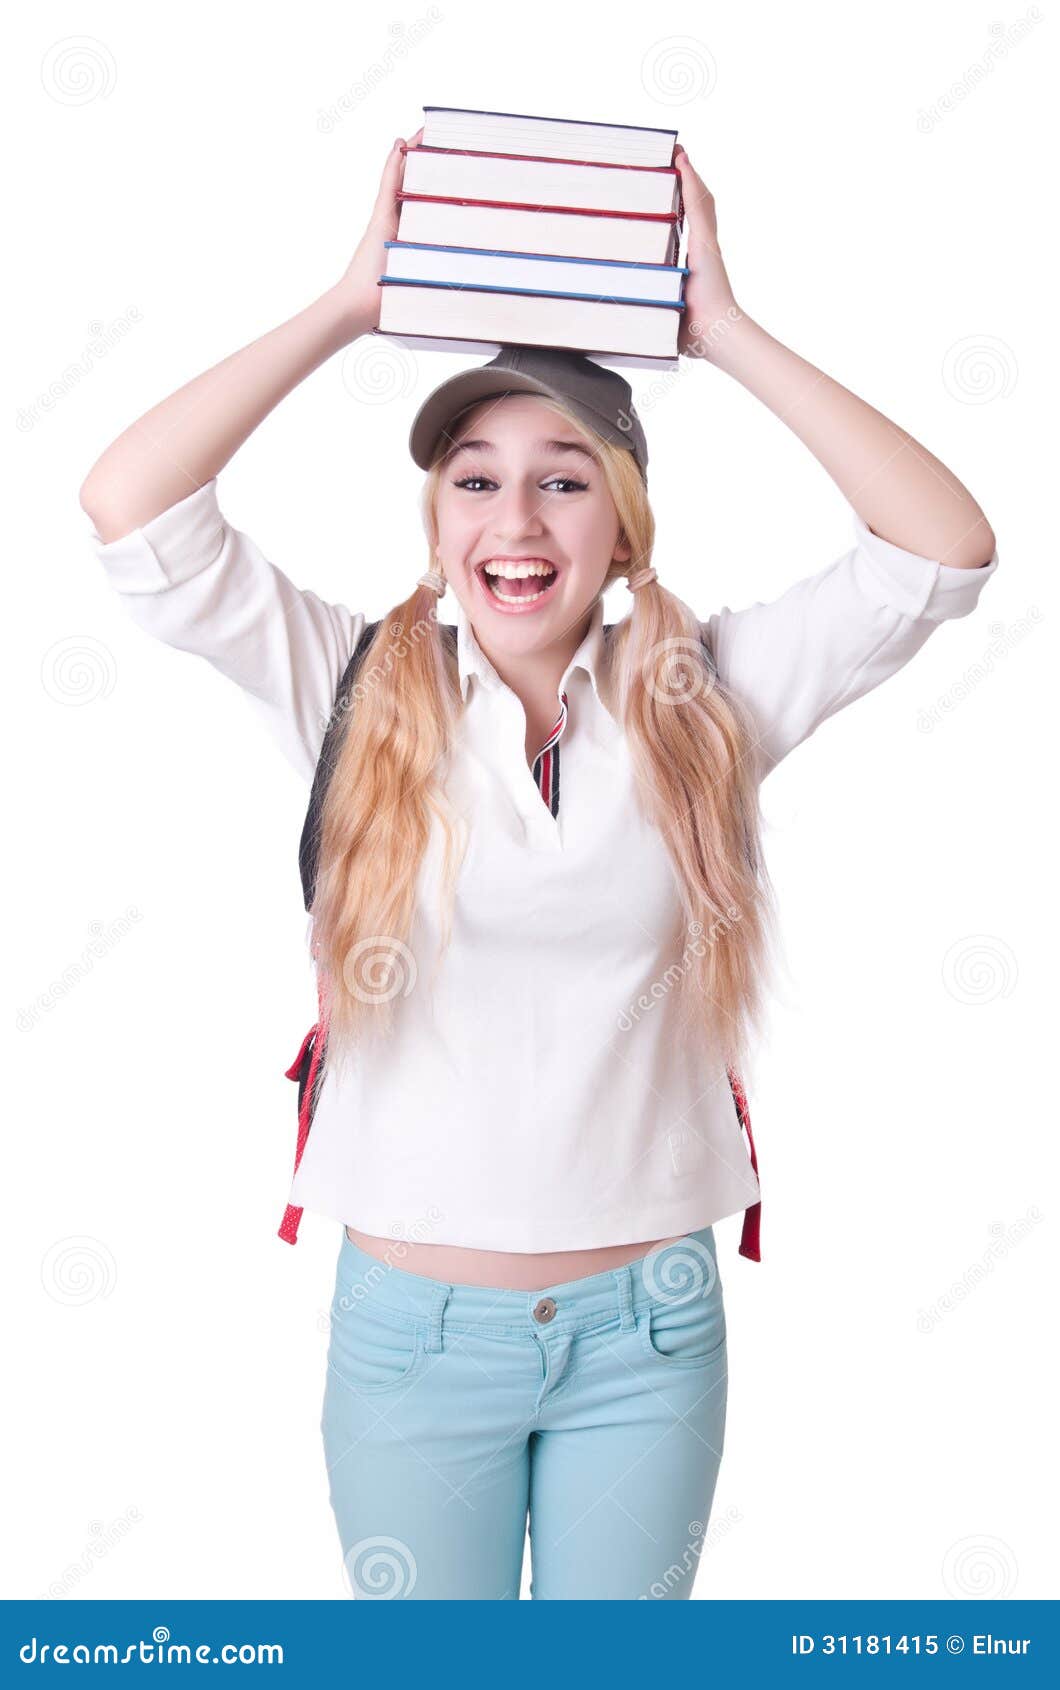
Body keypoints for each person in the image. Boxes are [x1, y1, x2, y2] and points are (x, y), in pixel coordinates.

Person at [79, 131, 999, 1600]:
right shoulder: (349, 679)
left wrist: (724, 330)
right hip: (411, 1334)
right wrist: (346, 306)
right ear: (437, 518)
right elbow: (132, 508)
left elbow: (941, 546)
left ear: (624, 519)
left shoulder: (707, 696)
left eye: (566, 481)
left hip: (650, 1329)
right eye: (476, 477)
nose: (516, 520)